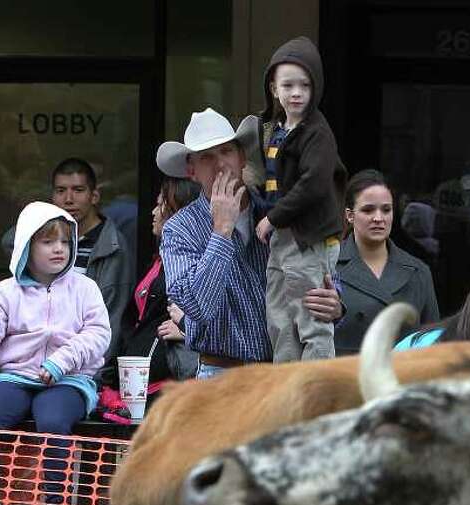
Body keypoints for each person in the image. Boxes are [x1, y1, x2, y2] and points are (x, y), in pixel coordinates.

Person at [0, 201, 111, 505]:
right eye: (47, 242)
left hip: (69, 379)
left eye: (65, 242)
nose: (59, 249)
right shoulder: (6, 292)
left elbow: (99, 333)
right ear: (26, 246)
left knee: (53, 421)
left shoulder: (84, 288)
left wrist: (60, 362)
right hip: (15, 377)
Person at [157, 108, 343, 378]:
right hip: (219, 373)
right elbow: (197, 307)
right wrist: (221, 231)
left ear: (242, 157)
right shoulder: (179, 229)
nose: (220, 164)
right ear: (192, 170)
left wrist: (335, 303)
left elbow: (324, 270)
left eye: (226, 152)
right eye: (207, 157)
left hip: (283, 370)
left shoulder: (279, 215)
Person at [254, 36, 347, 363]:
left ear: (316, 88)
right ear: (273, 88)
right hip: (283, 236)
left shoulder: (317, 132)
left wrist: (272, 217)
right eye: (288, 85)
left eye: (305, 85)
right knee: (279, 318)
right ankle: (287, 386)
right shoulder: (272, 128)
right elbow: (270, 179)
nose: (296, 93)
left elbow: (315, 184)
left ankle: (317, 391)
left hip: (308, 236)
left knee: (312, 320)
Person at [1, 158, 135, 359]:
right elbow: (10, 241)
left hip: (81, 362)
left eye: (78, 190)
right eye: (61, 191)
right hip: (30, 359)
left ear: (95, 196)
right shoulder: (37, 239)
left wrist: (95, 374)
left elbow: (110, 320)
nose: (68, 199)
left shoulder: (112, 247)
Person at [98, 175, 202, 423]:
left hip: (170, 384)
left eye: (161, 205)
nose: (153, 212)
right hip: (137, 379)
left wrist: (189, 330)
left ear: (179, 212)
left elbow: (215, 313)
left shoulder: (193, 261)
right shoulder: (159, 258)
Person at [334, 170, 440, 355]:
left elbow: (433, 344)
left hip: (401, 377)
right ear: (350, 216)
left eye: (386, 210)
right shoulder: (328, 265)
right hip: (344, 376)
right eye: (368, 210)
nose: (378, 218)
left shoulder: (418, 272)